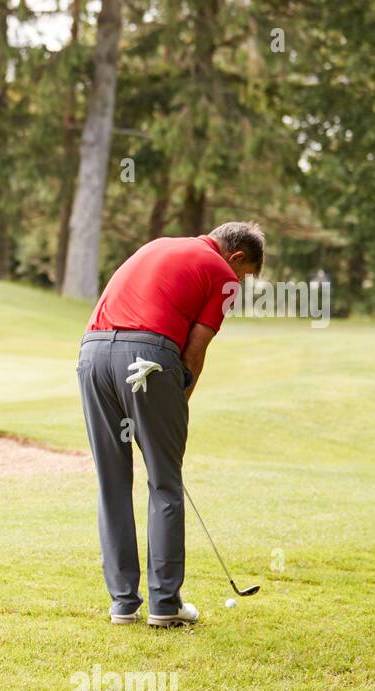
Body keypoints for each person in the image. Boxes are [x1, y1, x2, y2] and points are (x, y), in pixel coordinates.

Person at [76, 221, 264, 627]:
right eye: (244, 276)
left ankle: (123, 605)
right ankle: (165, 605)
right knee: (165, 483)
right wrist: (177, 405)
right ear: (235, 258)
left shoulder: (160, 244)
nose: (238, 285)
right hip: (147, 357)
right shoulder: (220, 273)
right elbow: (194, 350)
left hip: (91, 354)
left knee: (112, 483)